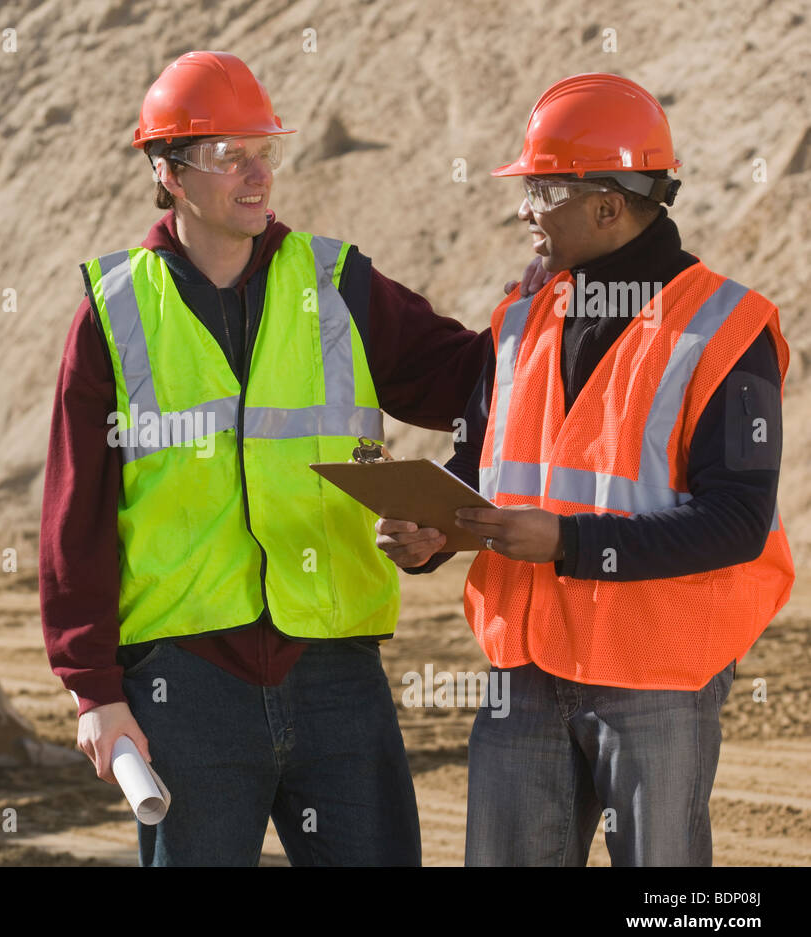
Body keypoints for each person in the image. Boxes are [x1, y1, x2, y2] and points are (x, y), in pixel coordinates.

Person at [39, 51, 515, 866]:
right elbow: (73, 518)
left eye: (267, 151)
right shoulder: (115, 313)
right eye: (231, 156)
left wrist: (453, 501)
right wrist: (95, 690)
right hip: (184, 684)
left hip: (335, 670)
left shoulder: (338, 285)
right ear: (170, 172)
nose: (258, 175)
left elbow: (482, 381)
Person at [376, 73, 795, 866]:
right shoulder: (518, 319)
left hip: (658, 670)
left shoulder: (727, 327)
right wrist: (436, 534)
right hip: (523, 668)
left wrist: (567, 542)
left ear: (609, 204)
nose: (524, 208)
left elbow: (737, 522)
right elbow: (480, 470)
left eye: (543, 188)